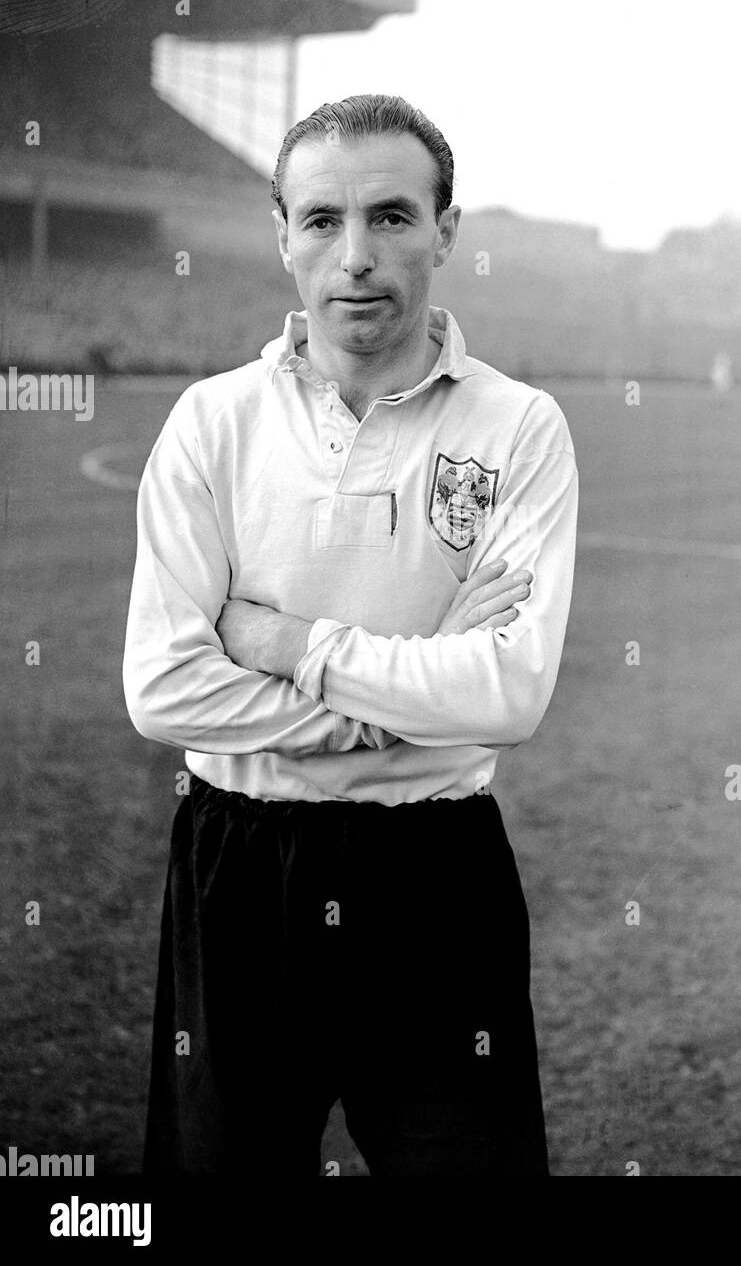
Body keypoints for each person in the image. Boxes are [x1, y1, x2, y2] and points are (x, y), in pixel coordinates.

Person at [122, 94, 579, 1177]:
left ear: (444, 231)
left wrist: (290, 645)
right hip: (239, 867)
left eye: (391, 215)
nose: (357, 255)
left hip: (435, 871)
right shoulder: (211, 422)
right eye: (323, 219)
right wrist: (393, 707)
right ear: (282, 233)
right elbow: (163, 690)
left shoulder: (517, 427)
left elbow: (508, 693)